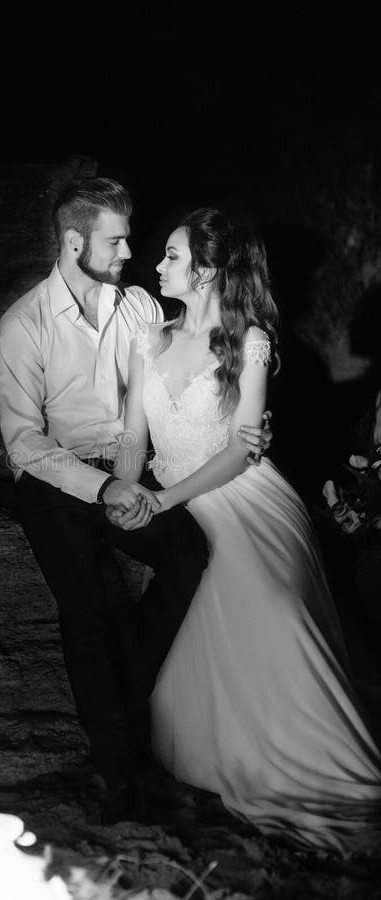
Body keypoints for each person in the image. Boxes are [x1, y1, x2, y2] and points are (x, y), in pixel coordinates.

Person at [0, 179, 271, 822]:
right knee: (85, 610)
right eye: (114, 240)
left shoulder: (141, 308)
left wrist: (246, 427)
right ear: (73, 242)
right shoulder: (23, 326)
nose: (128, 251)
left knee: (190, 554)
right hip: (54, 480)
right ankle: (119, 776)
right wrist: (105, 487)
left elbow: (192, 362)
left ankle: (133, 688)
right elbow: (24, 444)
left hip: (127, 471)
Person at [111, 207, 381, 854]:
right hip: (163, 494)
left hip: (236, 496)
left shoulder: (249, 339)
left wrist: (164, 499)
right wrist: (124, 488)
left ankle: (312, 772)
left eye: (171, 256)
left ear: (205, 272)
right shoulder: (147, 339)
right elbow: (130, 434)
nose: (156, 265)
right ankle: (206, 764)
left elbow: (241, 449)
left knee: (273, 611)